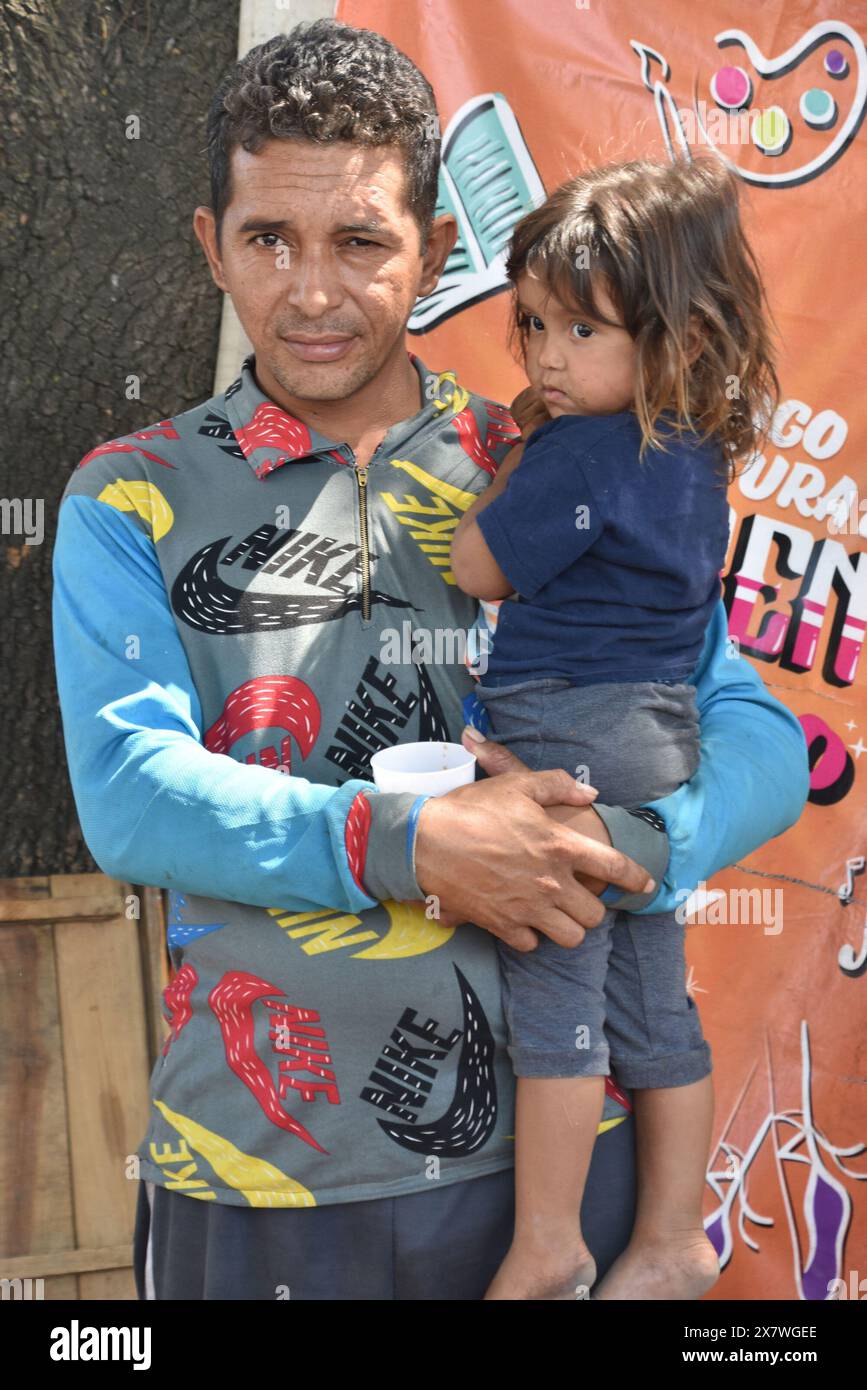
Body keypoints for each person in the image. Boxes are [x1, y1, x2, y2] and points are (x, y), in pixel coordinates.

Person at [50, 20, 810, 1301]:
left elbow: (754, 733)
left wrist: (643, 844)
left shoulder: (559, 455)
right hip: (250, 1177)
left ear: (439, 251)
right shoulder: (128, 495)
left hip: (550, 1189)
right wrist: (410, 842)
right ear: (209, 246)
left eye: (360, 242)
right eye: (267, 241)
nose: (311, 292)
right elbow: (130, 794)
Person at [451, 156, 789, 1301]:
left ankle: (549, 1241)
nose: (544, 357)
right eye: (533, 323)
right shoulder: (695, 456)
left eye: (578, 332)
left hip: (568, 737)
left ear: (678, 342)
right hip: (661, 740)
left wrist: (509, 469)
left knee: (556, 989)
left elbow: (476, 565)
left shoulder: (582, 451)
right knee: (655, 1000)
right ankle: (674, 1236)